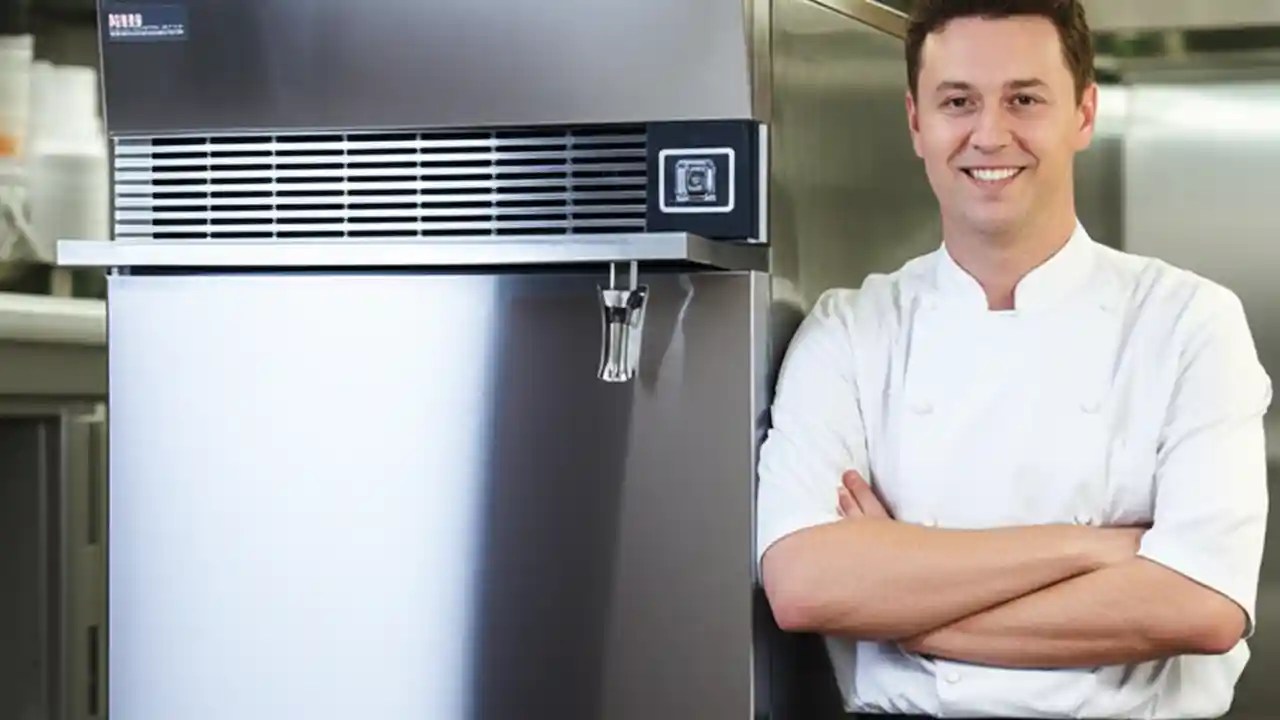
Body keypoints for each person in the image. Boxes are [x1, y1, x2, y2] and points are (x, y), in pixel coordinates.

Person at [755, 0, 1273, 718]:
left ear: (1084, 115)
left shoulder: (1188, 323)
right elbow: (805, 584)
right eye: (957, 102)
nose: (989, 134)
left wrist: (894, 597)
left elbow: (1201, 604)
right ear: (916, 123)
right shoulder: (849, 331)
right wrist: (1095, 549)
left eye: (1024, 99)